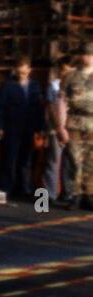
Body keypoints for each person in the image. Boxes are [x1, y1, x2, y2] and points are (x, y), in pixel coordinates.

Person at [0, 57, 44, 198]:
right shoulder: (7, 85)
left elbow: (39, 107)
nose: (22, 74)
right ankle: (6, 187)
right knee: (9, 157)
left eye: (24, 71)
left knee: (25, 159)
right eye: (19, 71)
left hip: (29, 127)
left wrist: (40, 127)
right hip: (11, 126)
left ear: (29, 70)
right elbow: (0, 107)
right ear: (15, 70)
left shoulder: (35, 86)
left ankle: (24, 188)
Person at [57, 41, 93, 210]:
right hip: (75, 122)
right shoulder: (70, 76)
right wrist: (61, 126)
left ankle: (89, 194)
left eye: (90, 54)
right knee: (75, 159)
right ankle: (75, 194)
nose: (88, 57)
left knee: (91, 161)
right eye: (85, 54)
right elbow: (62, 102)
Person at [44, 57, 75, 206]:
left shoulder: (76, 86)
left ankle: (68, 193)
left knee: (70, 162)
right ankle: (48, 195)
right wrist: (56, 127)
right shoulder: (54, 86)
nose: (65, 73)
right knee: (53, 160)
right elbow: (50, 107)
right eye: (63, 70)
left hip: (73, 128)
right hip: (56, 128)